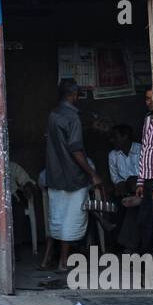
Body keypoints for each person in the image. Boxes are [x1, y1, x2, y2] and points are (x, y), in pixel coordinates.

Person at [42, 79, 105, 272]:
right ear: (74, 95)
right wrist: (93, 174)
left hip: (55, 175)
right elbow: (76, 149)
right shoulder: (73, 118)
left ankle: (47, 259)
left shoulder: (53, 115)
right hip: (73, 178)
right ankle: (63, 261)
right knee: (71, 218)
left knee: (56, 217)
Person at [134, 87, 153, 254]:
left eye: (152, 98)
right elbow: (145, 149)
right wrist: (140, 180)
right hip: (148, 179)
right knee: (144, 221)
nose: (149, 101)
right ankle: (146, 260)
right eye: (147, 98)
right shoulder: (148, 120)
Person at [107, 124, 142, 195]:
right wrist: (122, 183)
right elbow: (115, 178)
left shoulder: (142, 150)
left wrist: (137, 180)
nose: (111, 140)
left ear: (125, 137)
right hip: (125, 191)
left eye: (115, 137)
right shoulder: (113, 155)